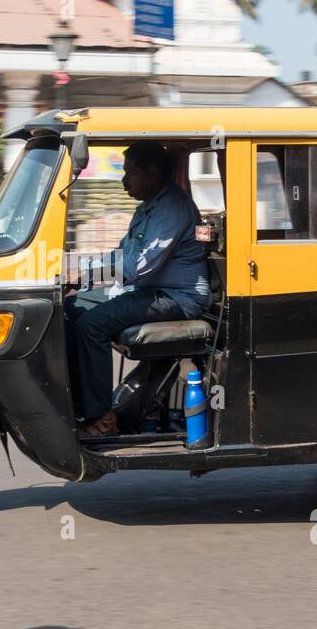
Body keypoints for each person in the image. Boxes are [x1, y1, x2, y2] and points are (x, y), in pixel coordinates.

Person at [65, 142, 210, 437]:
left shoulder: (171, 209)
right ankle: (80, 404)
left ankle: (101, 420)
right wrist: (78, 277)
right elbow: (121, 255)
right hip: (150, 291)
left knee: (93, 325)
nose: (123, 182)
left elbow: (139, 267)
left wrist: (85, 274)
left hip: (176, 298)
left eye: (129, 174)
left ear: (152, 173)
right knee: (70, 307)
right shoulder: (148, 208)